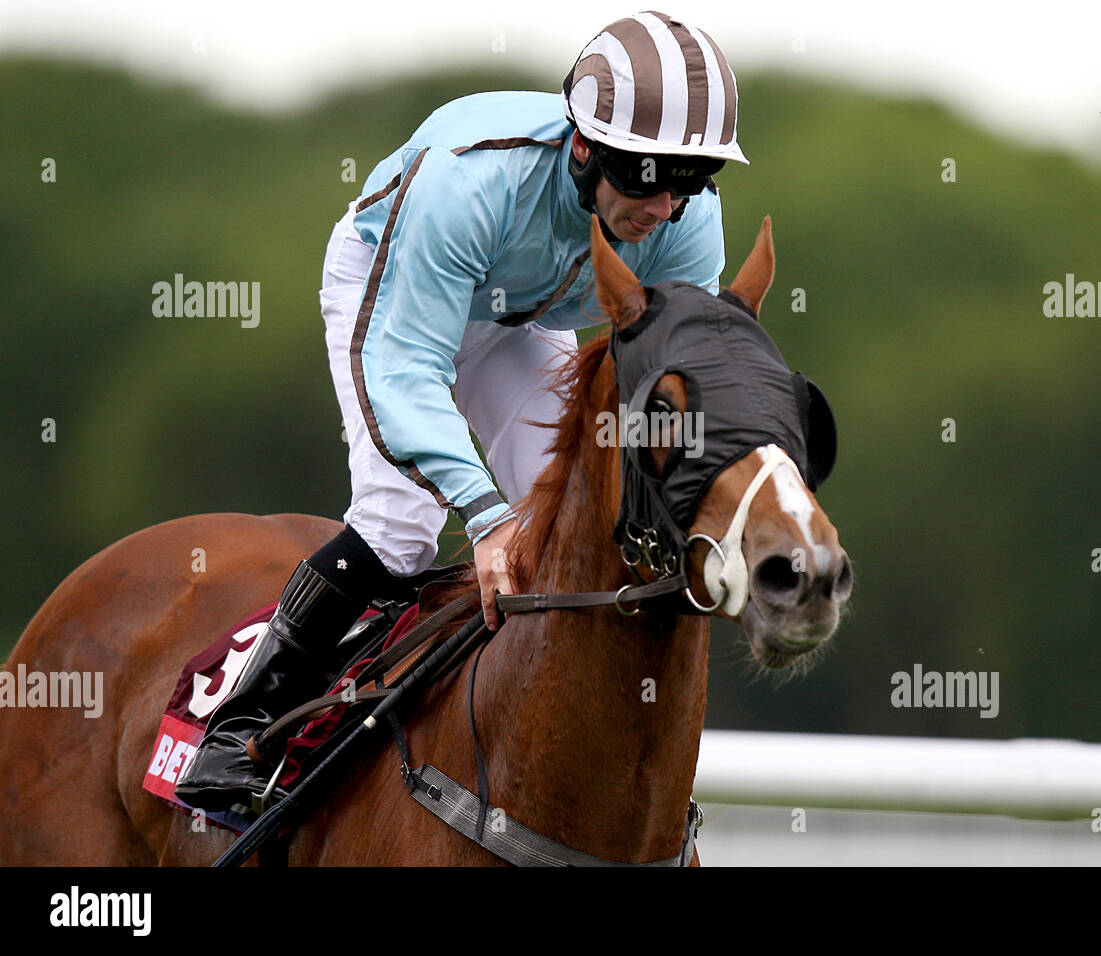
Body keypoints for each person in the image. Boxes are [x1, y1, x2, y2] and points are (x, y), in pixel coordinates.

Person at [176, 11, 748, 815]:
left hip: (520, 319)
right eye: (646, 172)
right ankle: (236, 732)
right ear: (584, 148)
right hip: (393, 285)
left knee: (577, 528)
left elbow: (669, 392)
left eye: (688, 179)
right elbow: (406, 366)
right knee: (403, 524)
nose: (663, 206)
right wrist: (484, 517)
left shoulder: (689, 225)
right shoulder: (471, 181)